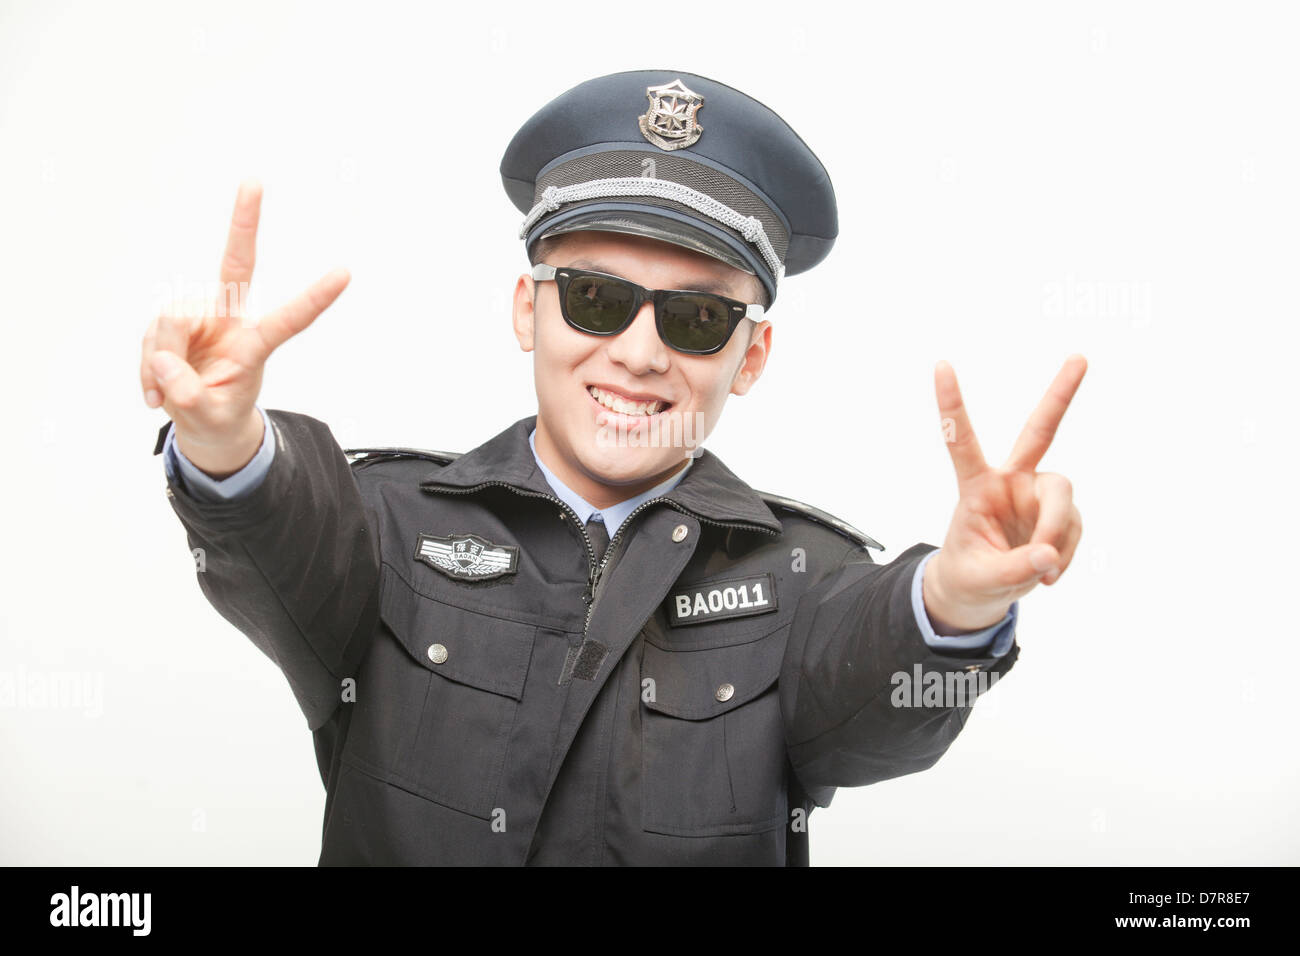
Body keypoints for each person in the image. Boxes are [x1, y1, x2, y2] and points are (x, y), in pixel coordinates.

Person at [140, 70, 1085, 866]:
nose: (638, 354)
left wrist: (956, 604)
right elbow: (279, 536)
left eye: (697, 317)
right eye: (595, 297)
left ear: (749, 358)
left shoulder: (804, 580)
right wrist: (225, 440)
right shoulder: (385, 528)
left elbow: (877, 690)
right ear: (528, 310)